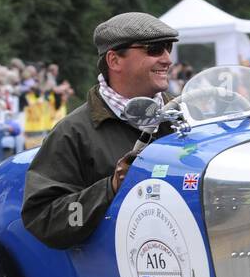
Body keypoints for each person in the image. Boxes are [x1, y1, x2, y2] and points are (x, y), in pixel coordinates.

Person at [21, 12, 179, 249]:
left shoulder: (184, 117)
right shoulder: (73, 131)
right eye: (155, 49)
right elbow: (44, 217)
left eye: (168, 47)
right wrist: (110, 188)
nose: (167, 59)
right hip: (113, 275)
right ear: (114, 61)